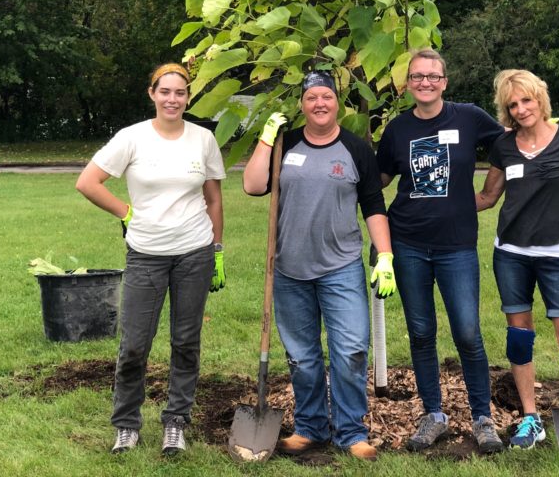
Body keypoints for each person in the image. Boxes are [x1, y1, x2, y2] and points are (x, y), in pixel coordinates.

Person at [242, 71, 396, 462]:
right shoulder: (286, 143)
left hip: (340, 267)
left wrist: (385, 256)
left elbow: (373, 206)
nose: (319, 103)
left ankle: (351, 432)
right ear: (302, 104)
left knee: (351, 350)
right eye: (311, 98)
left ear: (337, 102)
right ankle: (310, 427)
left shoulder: (356, 149)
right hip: (289, 269)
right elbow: (253, 186)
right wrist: (266, 138)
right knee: (302, 356)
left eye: (326, 96)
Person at [75, 63, 226, 457]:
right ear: (152, 94)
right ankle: (126, 425)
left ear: (188, 97)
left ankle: (176, 423)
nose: (173, 99)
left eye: (180, 93)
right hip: (146, 255)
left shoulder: (203, 139)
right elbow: (87, 182)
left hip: (194, 252)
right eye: (165, 92)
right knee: (135, 344)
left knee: (186, 341)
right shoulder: (132, 138)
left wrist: (217, 250)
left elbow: (213, 199)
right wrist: (126, 212)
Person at [376, 48, 506, 454]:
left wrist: (490, 193)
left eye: (433, 76)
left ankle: (482, 418)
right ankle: (433, 415)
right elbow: (379, 179)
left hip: (457, 246)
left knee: (467, 332)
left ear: (445, 82)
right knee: (421, 333)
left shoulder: (469, 117)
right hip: (408, 243)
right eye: (417, 76)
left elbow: (509, 146)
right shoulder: (398, 129)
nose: (425, 82)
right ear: (408, 84)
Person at [476, 69, 559, 450]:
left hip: (556, 255)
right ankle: (531, 419)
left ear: (540, 99)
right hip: (511, 255)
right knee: (519, 337)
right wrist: (442, 205)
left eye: (526, 100)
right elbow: (488, 196)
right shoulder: (504, 146)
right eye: (513, 104)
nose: (521, 109)